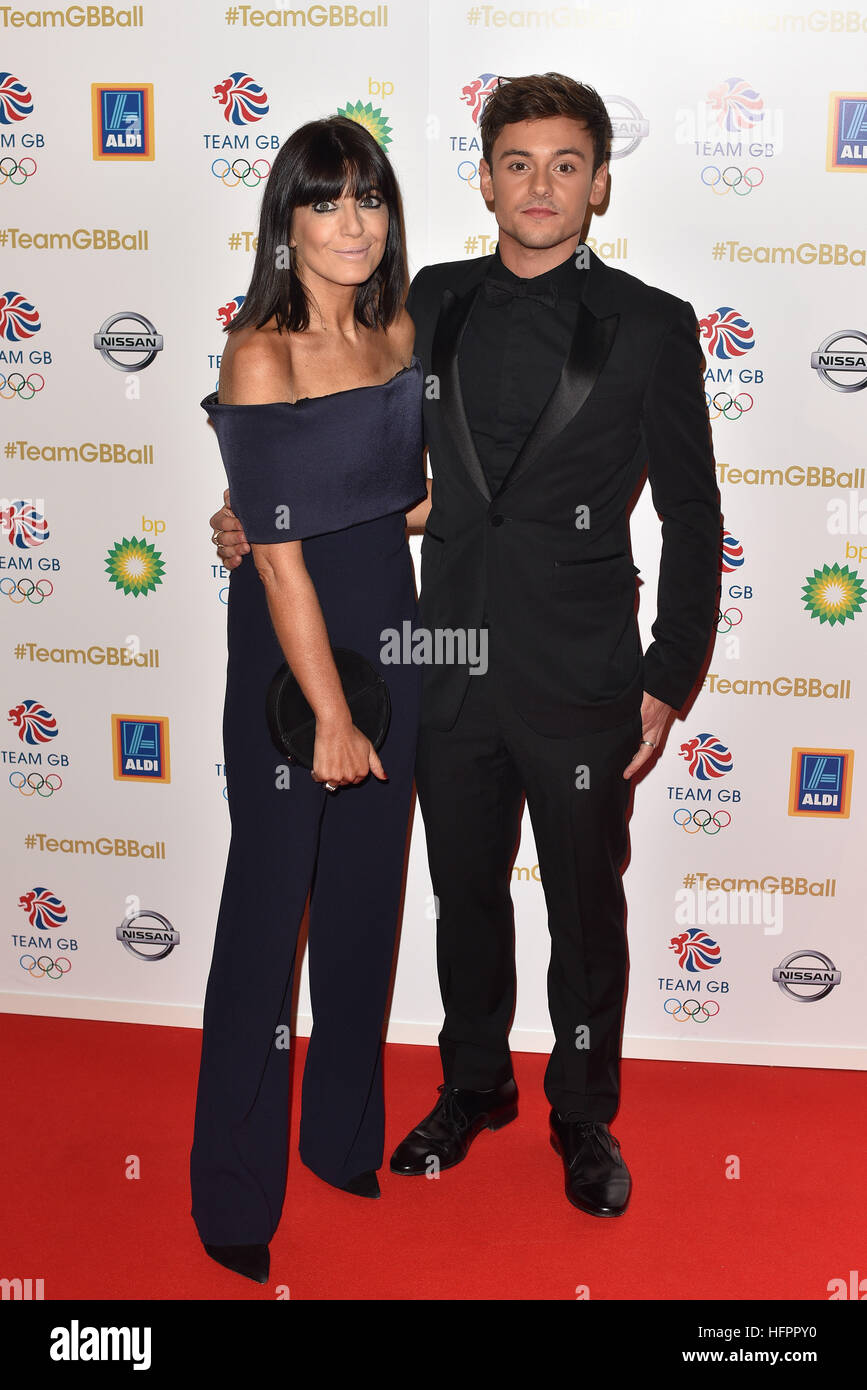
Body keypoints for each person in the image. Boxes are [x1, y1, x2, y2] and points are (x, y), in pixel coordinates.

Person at [210, 73, 720, 1221]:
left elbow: (692, 514)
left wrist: (666, 675)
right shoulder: (421, 305)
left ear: (599, 182)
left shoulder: (651, 322)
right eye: (518, 163)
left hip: (588, 670)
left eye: (566, 164)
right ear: (485, 176)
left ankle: (583, 1115)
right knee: (464, 896)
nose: (541, 186)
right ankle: (473, 1085)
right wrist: (265, 510)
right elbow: (380, 473)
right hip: (441, 657)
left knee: (588, 909)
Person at [190, 115, 429, 1284]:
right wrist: (329, 714)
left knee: (364, 903)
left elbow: (407, 495)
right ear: (286, 222)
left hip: (396, 626)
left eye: (369, 200)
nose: (352, 224)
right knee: (265, 910)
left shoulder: (397, 330)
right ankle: (233, 1189)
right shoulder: (260, 351)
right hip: (295, 656)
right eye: (326, 202)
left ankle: (341, 1136)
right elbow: (278, 558)